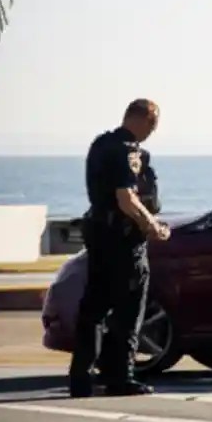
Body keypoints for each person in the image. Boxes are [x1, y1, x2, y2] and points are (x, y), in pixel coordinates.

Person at [68, 99, 171, 398]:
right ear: (142, 119)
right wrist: (152, 226)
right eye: (152, 124)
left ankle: (80, 377)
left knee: (94, 308)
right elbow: (127, 198)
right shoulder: (127, 150)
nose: (152, 131)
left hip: (98, 233)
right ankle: (120, 377)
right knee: (129, 309)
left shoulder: (100, 145)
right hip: (123, 239)